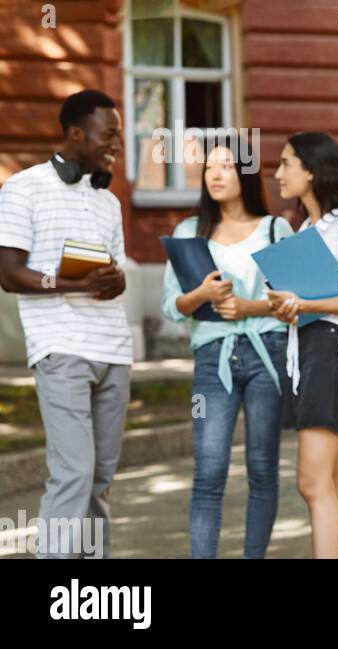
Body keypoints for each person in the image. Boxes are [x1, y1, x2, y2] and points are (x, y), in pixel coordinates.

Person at [0, 89, 129, 558]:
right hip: (61, 348)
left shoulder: (109, 203)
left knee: (99, 481)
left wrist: (113, 280)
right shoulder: (23, 187)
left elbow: (114, 279)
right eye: (108, 134)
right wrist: (73, 283)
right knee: (73, 473)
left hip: (114, 350)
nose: (117, 143)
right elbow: (9, 273)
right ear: (76, 132)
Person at [160, 136, 292, 559]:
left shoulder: (275, 229)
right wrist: (200, 294)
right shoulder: (188, 232)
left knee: (261, 469)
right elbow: (171, 307)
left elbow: (296, 306)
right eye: (209, 167)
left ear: (246, 174)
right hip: (211, 359)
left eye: (226, 166)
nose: (214, 174)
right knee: (209, 471)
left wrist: (249, 307)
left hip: (267, 355)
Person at [267, 132, 338, 559]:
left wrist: (307, 302)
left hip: (330, 351)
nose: (278, 174)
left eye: (286, 163)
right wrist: (287, 307)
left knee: (311, 484)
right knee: (333, 482)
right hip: (305, 350)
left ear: (311, 170)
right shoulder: (304, 228)